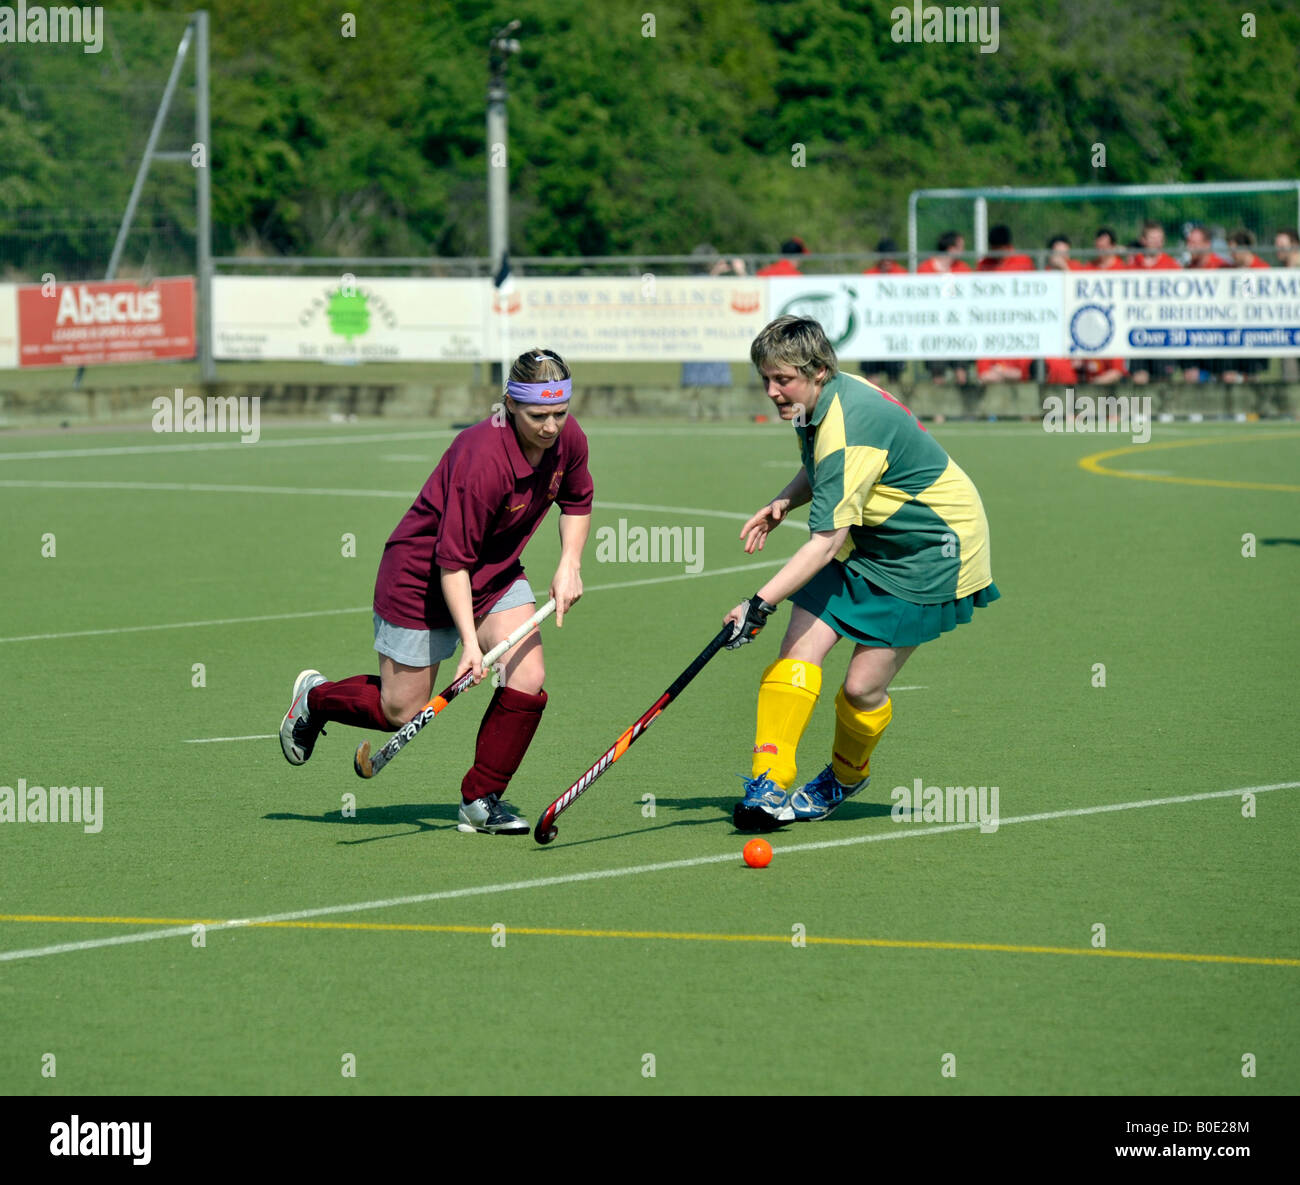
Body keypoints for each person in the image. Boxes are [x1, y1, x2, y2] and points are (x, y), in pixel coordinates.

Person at [278, 349, 593, 835]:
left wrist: (569, 563)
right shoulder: (481, 457)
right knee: (398, 710)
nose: (551, 427)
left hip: (494, 573)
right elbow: (452, 563)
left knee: (527, 673)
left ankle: (480, 800)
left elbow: (577, 499)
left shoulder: (567, 438)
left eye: (559, 413)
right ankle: (315, 699)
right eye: (538, 416)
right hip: (422, 578)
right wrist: (470, 644)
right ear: (509, 403)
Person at [722, 316, 999, 831]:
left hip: (932, 550)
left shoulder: (849, 424)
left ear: (818, 370)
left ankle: (845, 777)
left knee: (860, 690)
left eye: (782, 380)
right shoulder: (822, 400)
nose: (772, 392)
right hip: (873, 535)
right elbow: (825, 466)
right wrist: (785, 498)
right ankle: (769, 781)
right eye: (765, 379)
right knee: (798, 651)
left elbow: (824, 542)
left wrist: (757, 604)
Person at [975, 225, 1034, 383]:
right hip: (992, 319)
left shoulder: (1023, 262)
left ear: (1008, 246)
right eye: (993, 248)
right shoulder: (984, 265)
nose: (996, 252)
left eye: (999, 248)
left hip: (1018, 318)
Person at [1128, 222, 1180, 384]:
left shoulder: (1172, 265)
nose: (1157, 242)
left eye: (1160, 239)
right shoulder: (1132, 265)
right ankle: (1142, 409)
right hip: (1138, 330)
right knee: (1139, 377)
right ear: (1143, 240)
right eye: (1153, 238)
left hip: (1162, 331)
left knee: (1162, 379)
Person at [918, 231, 973, 384]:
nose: (963, 251)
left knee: (961, 372)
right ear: (951, 248)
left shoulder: (963, 269)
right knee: (937, 373)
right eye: (960, 247)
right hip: (935, 331)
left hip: (959, 331)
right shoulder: (925, 269)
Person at [1223, 230, 1270, 384]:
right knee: (1229, 376)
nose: (1231, 254)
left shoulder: (1263, 270)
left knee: (1252, 377)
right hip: (1233, 333)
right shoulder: (1228, 271)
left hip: (1254, 333)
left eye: (1234, 249)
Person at [1082, 229, 1128, 384]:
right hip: (1093, 324)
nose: (1101, 251)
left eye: (1105, 247)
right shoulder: (1088, 268)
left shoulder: (1124, 269)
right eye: (1098, 247)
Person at [860, 237, 906, 385]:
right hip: (873, 332)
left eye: (890, 254)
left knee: (894, 377)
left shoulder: (902, 274)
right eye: (884, 254)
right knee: (871, 377)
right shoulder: (868, 275)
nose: (887, 258)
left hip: (894, 331)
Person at [1043, 235, 1083, 386]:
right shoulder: (1043, 273)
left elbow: (1080, 292)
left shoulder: (1076, 269)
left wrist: (1065, 269)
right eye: (1057, 253)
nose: (1061, 258)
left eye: (1064, 253)